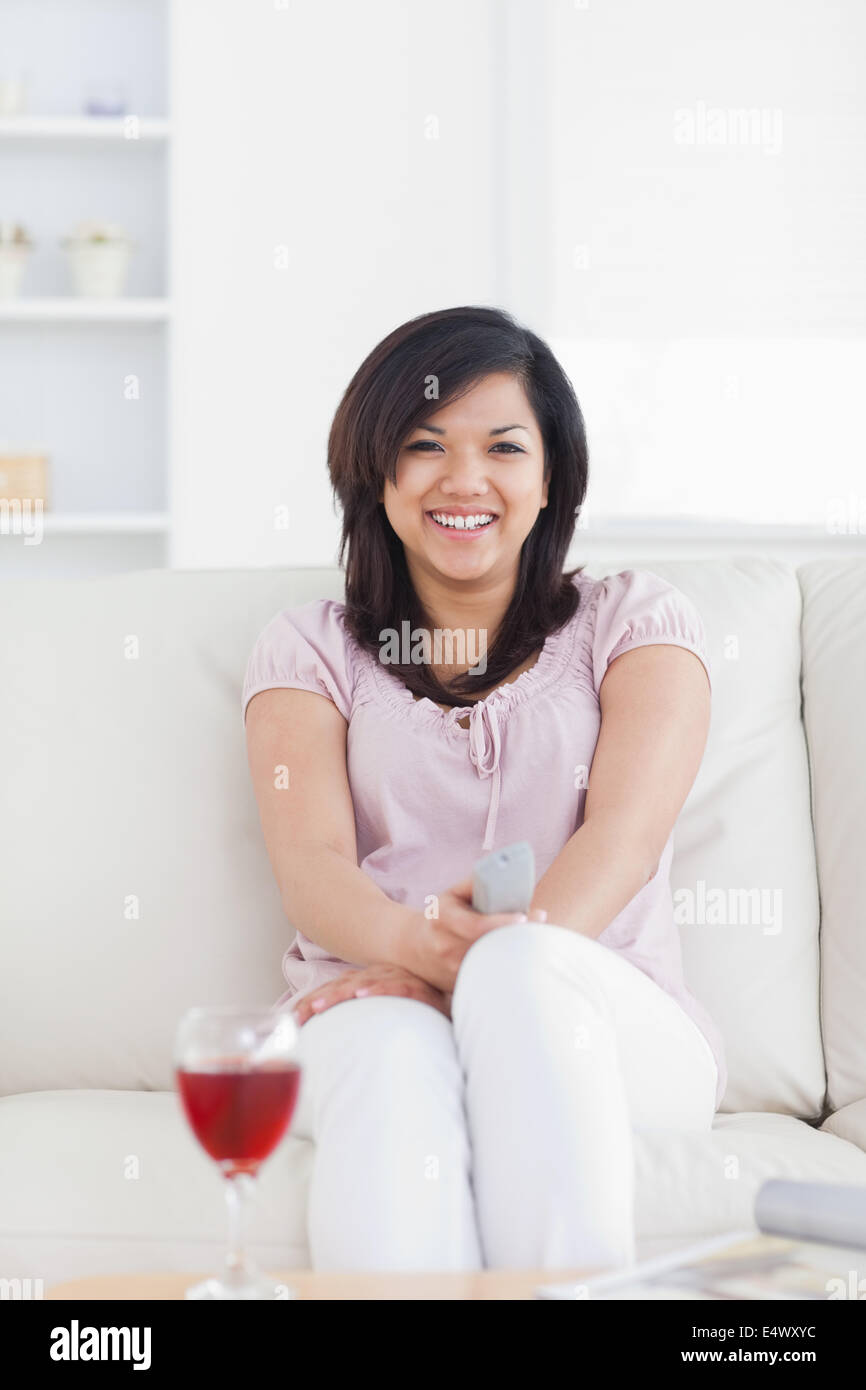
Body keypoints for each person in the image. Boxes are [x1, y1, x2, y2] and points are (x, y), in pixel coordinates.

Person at [242, 305, 726, 1273]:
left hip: (606, 1012)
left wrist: (468, 971)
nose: (463, 479)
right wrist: (413, 953)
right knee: (388, 1056)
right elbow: (312, 869)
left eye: (503, 447)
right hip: (370, 999)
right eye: (424, 446)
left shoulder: (636, 621)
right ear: (375, 473)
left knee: (520, 967)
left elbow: (621, 841)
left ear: (551, 477)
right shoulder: (306, 648)